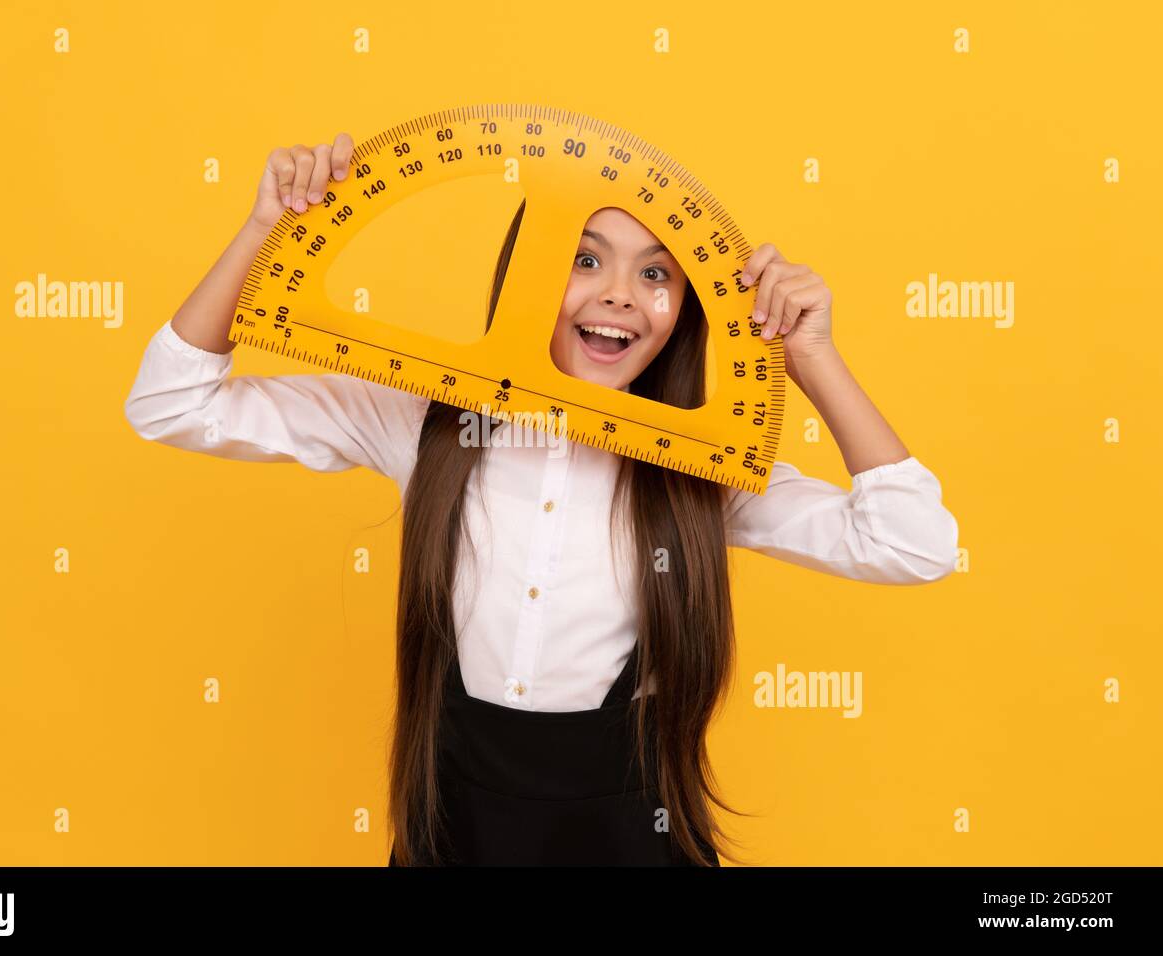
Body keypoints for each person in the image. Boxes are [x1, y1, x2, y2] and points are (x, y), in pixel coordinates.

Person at [123, 133, 959, 866]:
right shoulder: (423, 421)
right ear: (524, 281)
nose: (620, 295)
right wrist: (266, 229)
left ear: (688, 311)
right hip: (452, 832)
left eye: (658, 272)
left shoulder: (699, 469)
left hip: (633, 837)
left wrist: (813, 360)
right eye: (585, 258)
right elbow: (170, 404)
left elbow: (913, 544)